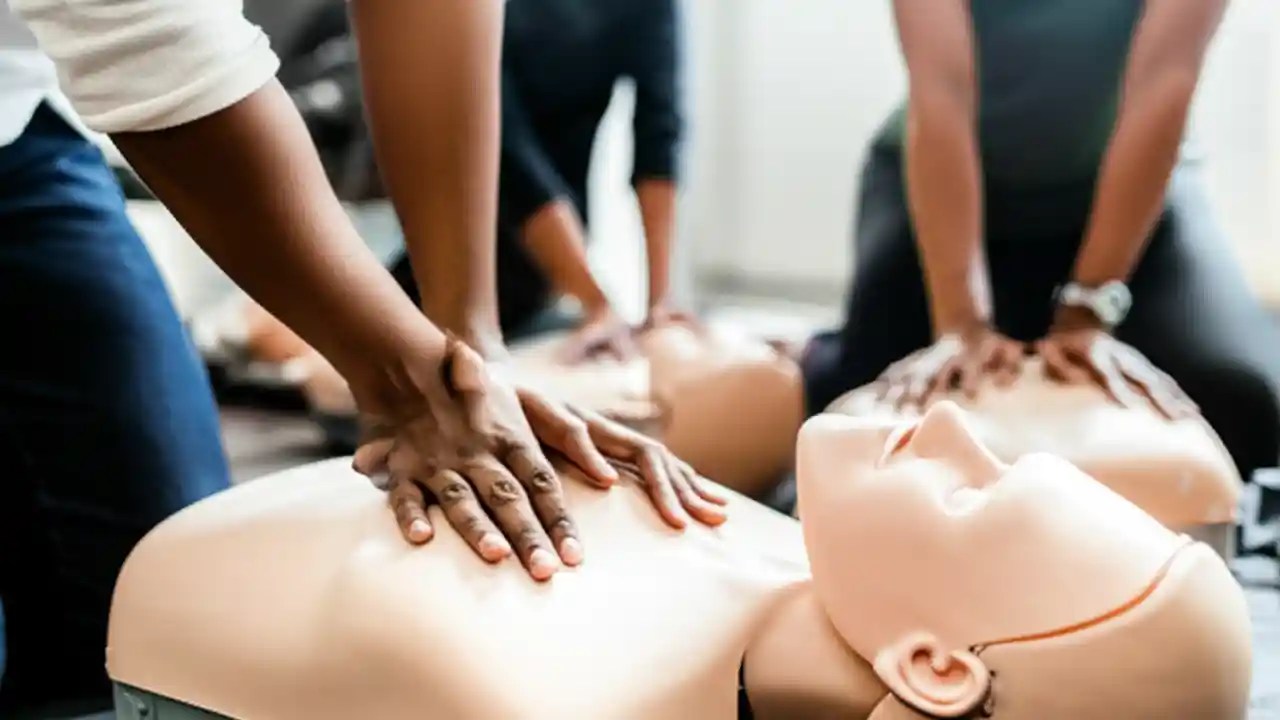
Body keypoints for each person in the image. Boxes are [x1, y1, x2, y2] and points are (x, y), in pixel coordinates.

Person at [2, 0, 716, 713]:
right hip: (108, 43)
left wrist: (468, 355)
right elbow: (149, 35)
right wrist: (407, 383)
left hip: (20, 111)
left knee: (147, 587)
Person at [101, 403, 1251, 719]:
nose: (947, 426)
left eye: (969, 491)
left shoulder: (526, 695)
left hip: (195, 600)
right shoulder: (764, 547)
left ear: (934, 669)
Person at [803, 0, 1280, 486]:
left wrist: (1089, 308)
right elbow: (941, 91)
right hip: (942, 193)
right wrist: (960, 321)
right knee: (867, 392)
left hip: (1131, 202)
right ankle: (809, 347)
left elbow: (1165, 84)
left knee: (1238, 397)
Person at [0, 6, 230, 713]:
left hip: (19, 115)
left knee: (170, 590)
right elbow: (156, 52)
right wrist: (394, 368)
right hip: (127, 56)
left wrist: (463, 342)